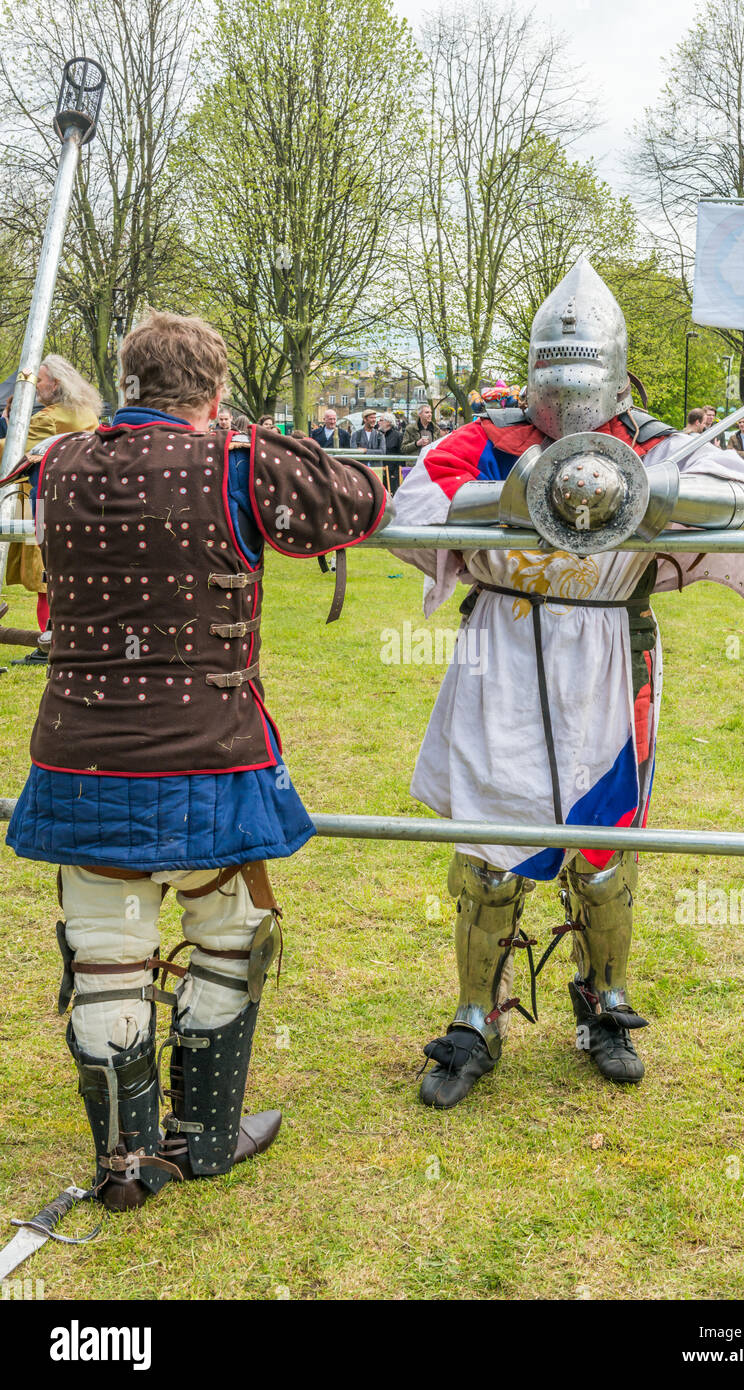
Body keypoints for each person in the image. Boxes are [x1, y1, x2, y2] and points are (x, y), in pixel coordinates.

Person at [3, 311, 387, 1211]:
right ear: (213, 392)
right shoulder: (239, 463)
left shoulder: (55, 465)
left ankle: (125, 1164)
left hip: (82, 757)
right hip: (206, 758)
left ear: (127, 383)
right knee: (229, 936)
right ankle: (206, 1140)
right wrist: (249, 435)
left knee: (105, 953)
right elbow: (361, 498)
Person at [389, 257, 744, 1110]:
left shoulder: (656, 441)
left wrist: (643, 490)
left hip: (607, 649)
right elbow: (417, 506)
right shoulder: (486, 442)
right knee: (490, 856)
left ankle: (603, 1003)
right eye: (552, 385)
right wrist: (530, 490)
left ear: (615, 373)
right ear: (532, 376)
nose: (565, 404)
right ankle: (472, 1018)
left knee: (602, 854)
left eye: (582, 384)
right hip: (503, 650)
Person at [1, 355, 101, 665]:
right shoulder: (86, 412)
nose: (37, 387)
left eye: (40, 380)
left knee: (46, 575)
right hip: (82, 501)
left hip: (46, 500)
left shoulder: (50, 419)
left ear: (54, 384)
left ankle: (50, 646)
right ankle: (59, 641)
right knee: (62, 575)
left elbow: (15, 451)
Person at [377, 412, 404, 493]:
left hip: (392, 473)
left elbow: (401, 456)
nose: (378, 422)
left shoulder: (398, 436)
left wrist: (396, 474)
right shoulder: (378, 435)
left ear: (388, 422)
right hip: (379, 471)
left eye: (381, 420)